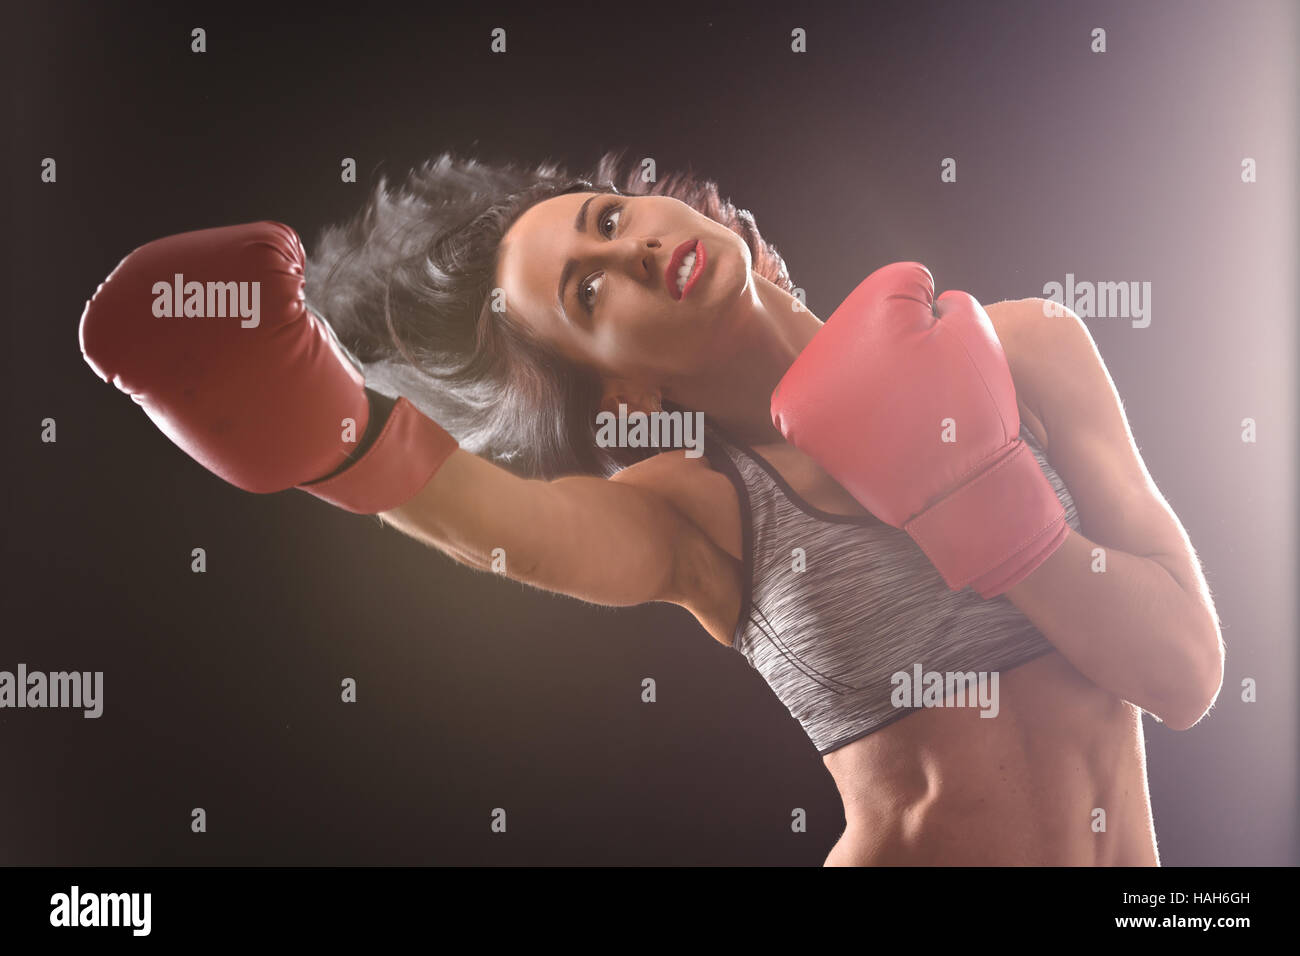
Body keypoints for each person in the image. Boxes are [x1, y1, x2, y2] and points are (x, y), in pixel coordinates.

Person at [80, 151, 1224, 865]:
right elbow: (502, 525)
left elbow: (1181, 674)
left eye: (610, 217)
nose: (632, 250)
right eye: (588, 290)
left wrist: (986, 501)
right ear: (619, 387)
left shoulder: (1024, 344)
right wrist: (334, 430)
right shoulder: (699, 510)